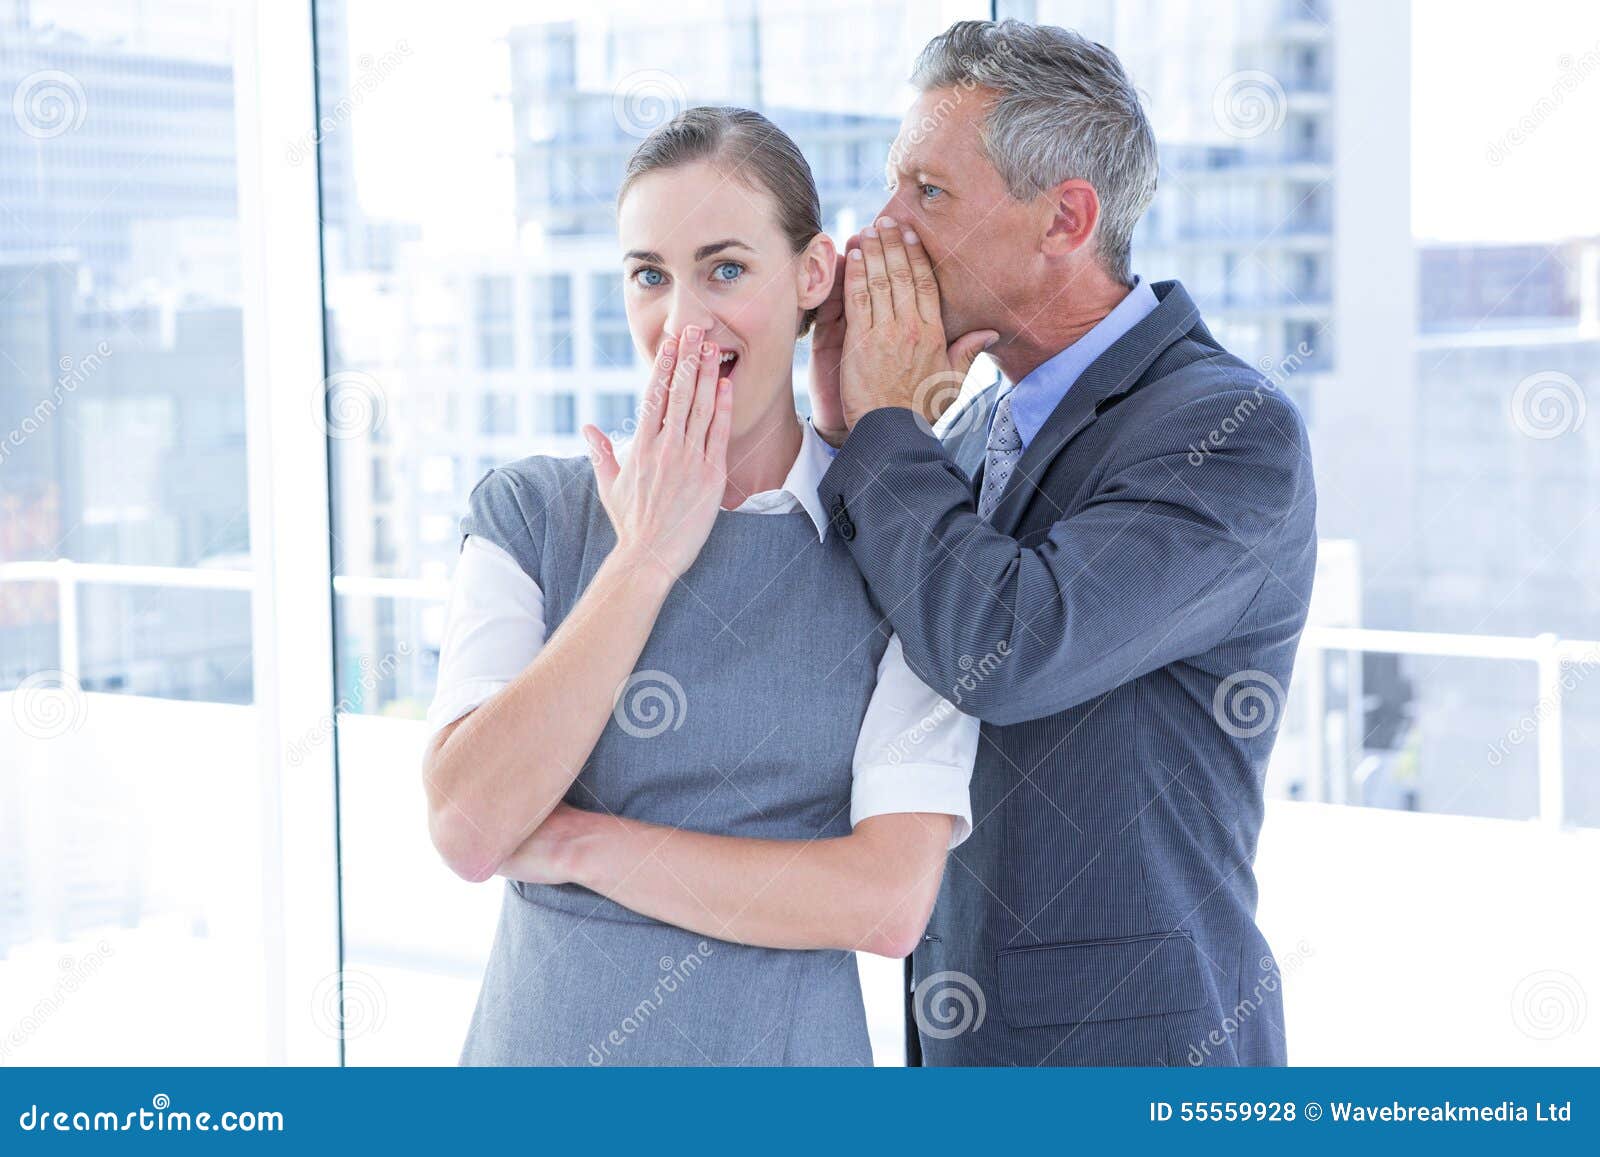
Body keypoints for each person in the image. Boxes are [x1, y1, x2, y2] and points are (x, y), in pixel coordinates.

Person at [422, 106, 979, 1066]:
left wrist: (576, 846)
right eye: (650, 276)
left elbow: (886, 902)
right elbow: (469, 828)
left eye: (725, 269)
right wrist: (643, 558)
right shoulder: (531, 514)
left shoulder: (900, 541)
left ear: (813, 276)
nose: (683, 321)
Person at [807, 19, 1317, 1066]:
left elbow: (1004, 642)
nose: (883, 226)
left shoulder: (1228, 434)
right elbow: (854, 660)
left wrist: (884, 433)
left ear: (1065, 218)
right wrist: (834, 433)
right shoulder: (971, 424)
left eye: (927, 192)